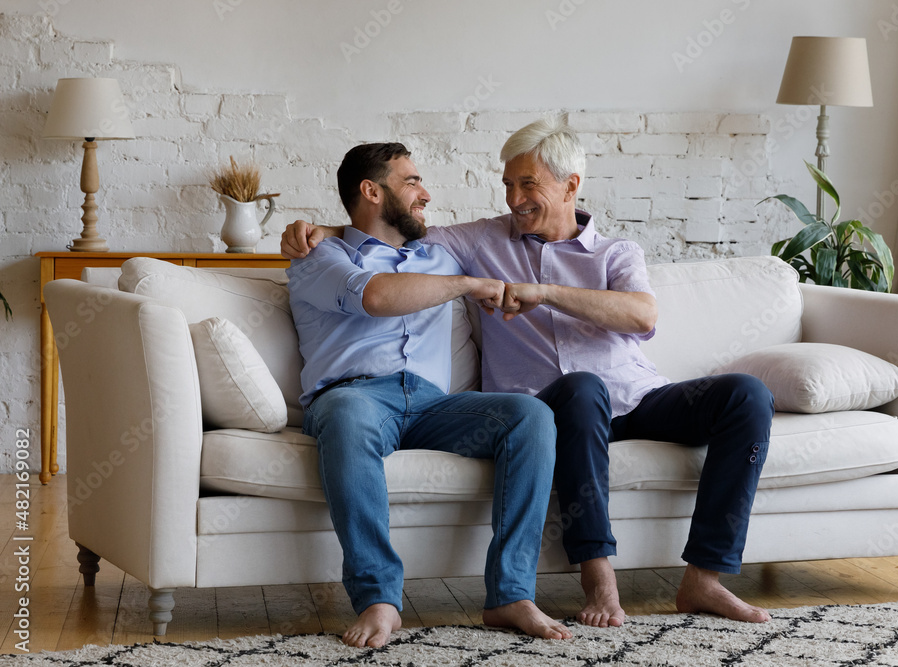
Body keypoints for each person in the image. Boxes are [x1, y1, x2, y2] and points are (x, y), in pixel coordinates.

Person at [282, 119, 775, 627]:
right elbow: (382, 262)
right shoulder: (460, 245)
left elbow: (642, 315)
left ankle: (693, 579)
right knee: (575, 394)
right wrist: (320, 230)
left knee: (745, 396)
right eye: (508, 185)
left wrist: (545, 293)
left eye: (528, 185)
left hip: (618, 397)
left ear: (570, 185)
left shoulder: (613, 252)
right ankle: (585, 582)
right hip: (519, 401)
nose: (514, 199)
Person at [287, 141, 572, 648]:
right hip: (354, 397)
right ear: (371, 191)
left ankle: (510, 593)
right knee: (350, 415)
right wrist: (464, 284)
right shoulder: (321, 258)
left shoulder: (440, 253)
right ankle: (378, 598)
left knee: (530, 415)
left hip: (432, 404)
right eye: (412, 181)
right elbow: (375, 296)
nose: (426, 193)